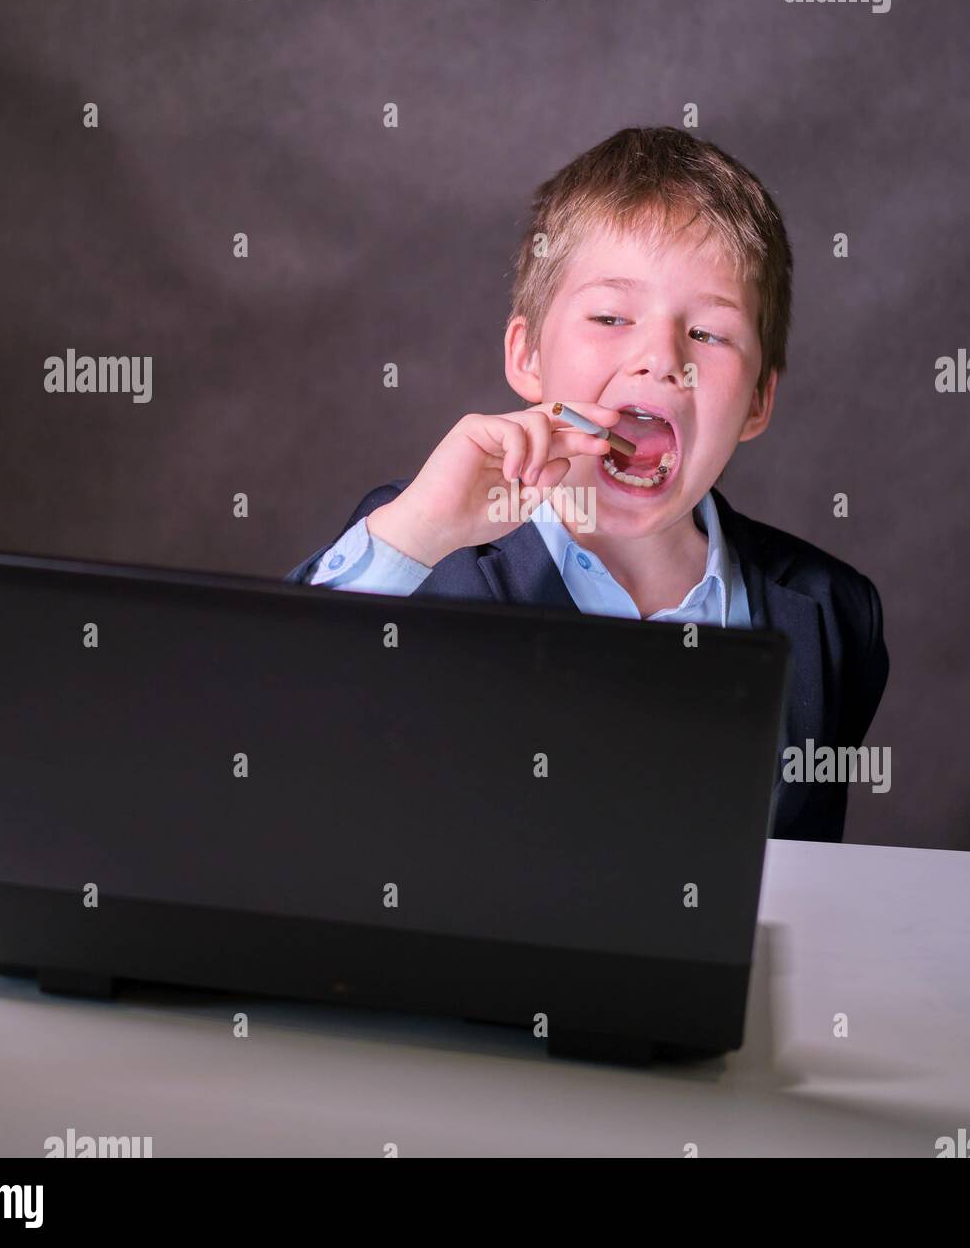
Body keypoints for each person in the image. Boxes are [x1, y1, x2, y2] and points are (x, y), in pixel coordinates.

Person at [288, 126, 888, 842]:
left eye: (708, 335)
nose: (661, 359)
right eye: (610, 317)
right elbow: (270, 740)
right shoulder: (418, 558)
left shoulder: (831, 615)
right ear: (527, 357)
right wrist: (417, 532)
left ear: (758, 400)